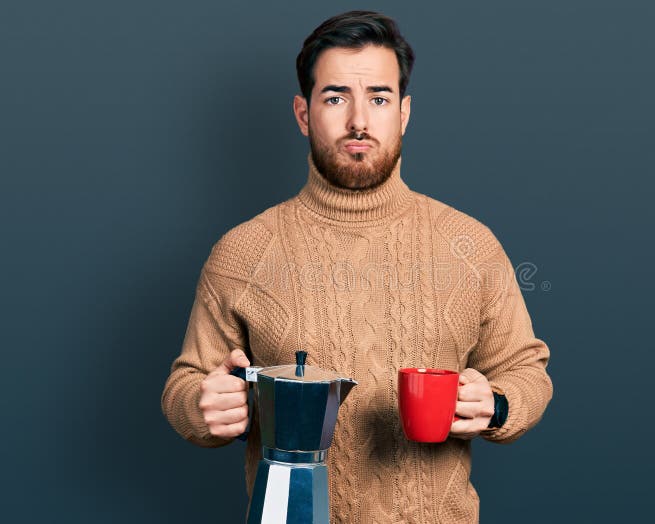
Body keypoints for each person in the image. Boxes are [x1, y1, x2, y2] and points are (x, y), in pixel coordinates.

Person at [162, 10, 553, 523]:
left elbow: (526, 370)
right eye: (335, 97)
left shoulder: (470, 245)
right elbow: (186, 382)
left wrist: (496, 405)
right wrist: (201, 405)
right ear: (303, 114)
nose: (359, 122)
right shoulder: (242, 252)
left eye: (379, 98)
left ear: (404, 113)